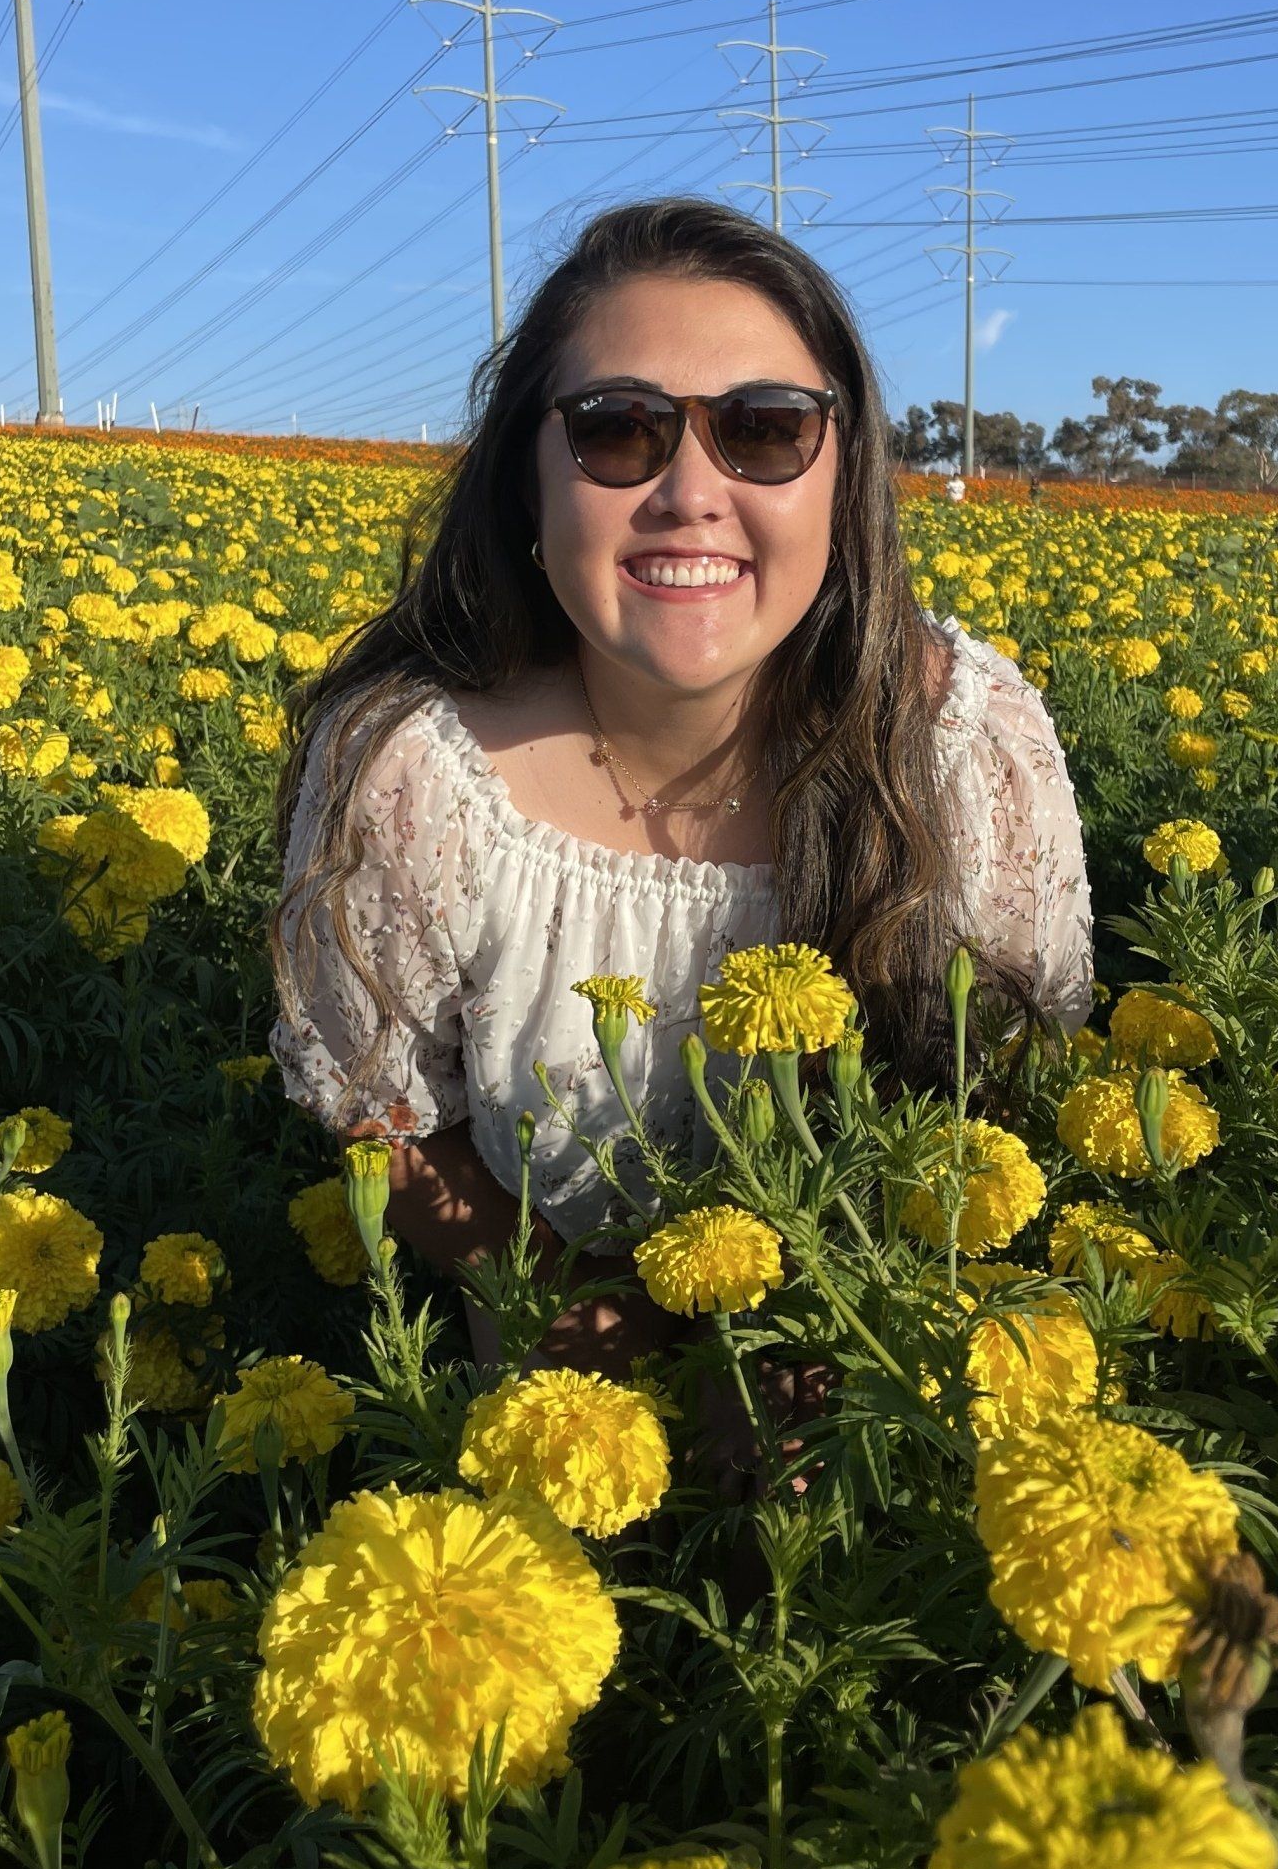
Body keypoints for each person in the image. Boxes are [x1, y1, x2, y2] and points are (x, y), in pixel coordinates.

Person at [267, 196, 1094, 1413]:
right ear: (527, 482)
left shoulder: (966, 750)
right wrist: (587, 1318)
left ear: (842, 474)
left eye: (764, 431)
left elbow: (1012, 1100)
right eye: (619, 432)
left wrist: (845, 1339)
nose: (691, 490)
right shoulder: (408, 773)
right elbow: (390, 1124)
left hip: (883, 1381)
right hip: (561, 1401)